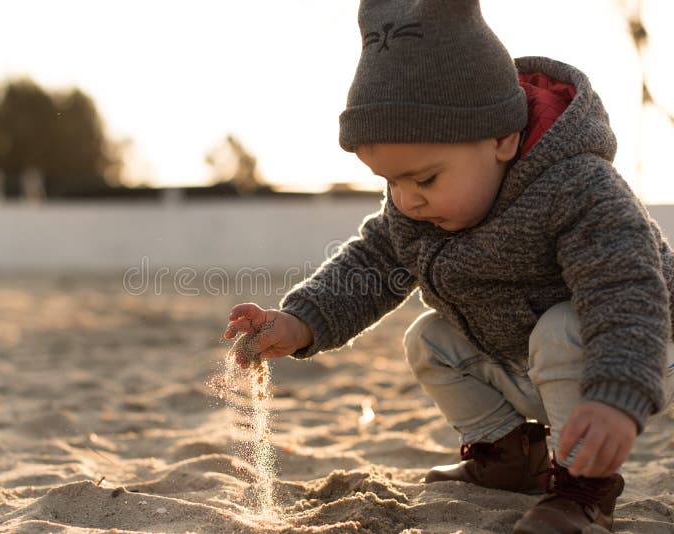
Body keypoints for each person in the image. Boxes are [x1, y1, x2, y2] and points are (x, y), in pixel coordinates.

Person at [222, 0, 674, 531]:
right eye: (391, 182)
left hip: (635, 355)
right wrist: (300, 323)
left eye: (426, 179)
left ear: (502, 139)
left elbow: (626, 290)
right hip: (531, 363)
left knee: (560, 328)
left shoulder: (576, 187)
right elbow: (372, 263)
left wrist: (616, 394)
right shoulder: (419, 212)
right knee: (429, 338)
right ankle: (509, 459)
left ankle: (583, 489)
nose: (408, 200)